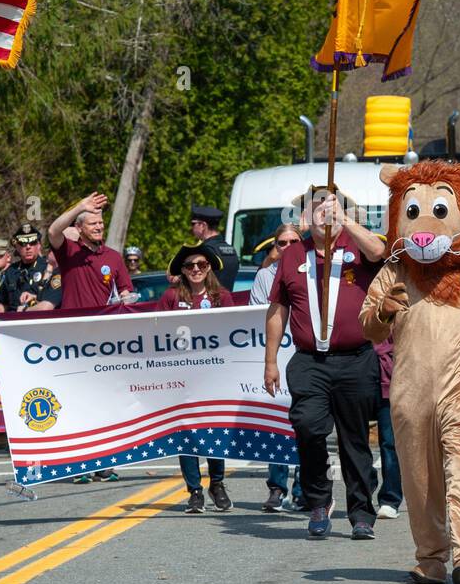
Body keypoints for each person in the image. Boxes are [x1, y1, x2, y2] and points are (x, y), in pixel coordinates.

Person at [265, 187, 385, 539]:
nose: (322, 211)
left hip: (355, 361)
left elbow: (379, 251)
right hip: (309, 363)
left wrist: (344, 220)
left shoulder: (356, 246)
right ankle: (318, 501)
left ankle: (362, 512)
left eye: (329, 205)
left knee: (355, 440)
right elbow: (277, 309)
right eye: (315, 206)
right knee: (307, 427)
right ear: (305, 216)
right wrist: (270, 360)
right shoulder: (292, 255)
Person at [158, 243, 236, 512]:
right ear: (182, 270)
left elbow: (233, 334)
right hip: (181, 377)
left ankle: (217, 483)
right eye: (189, 265)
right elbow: (156, 334)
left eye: (201, 265)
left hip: (214, 377)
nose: (195, 270)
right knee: (186, 434)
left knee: (214, 430)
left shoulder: (222, 297)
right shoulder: (170, 297)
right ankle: (194, 491)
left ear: (209, 267)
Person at [249, 224, 306, 512]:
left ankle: (305, 489)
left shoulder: (314, 270)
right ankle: (277, 487)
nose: (288, 247)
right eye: (282, 243)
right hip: (278, 356)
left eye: (294, 241)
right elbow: (259, 318)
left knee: (308, 426)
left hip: (307, 357)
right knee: (280, 424)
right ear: (276, 246)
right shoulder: (264, 277)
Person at [48, 194, 133, 310]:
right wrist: (80, 207)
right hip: (74, 323)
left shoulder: (114, 256)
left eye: (101, 222)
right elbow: (53, 232)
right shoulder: (68, 250)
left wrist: (126, 299)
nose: (98, 227)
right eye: (93, 224)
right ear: (79, 228)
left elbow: (125, 291)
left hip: (104, 323)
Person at [0, 224, 53, 312]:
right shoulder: (11, 271)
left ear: (38, 245)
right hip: (14, 321)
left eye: (32, 243)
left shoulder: (48, 268)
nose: (28, 247)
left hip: (39, 319)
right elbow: (3, 304)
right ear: (17, 247)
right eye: (23, 244)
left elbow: (51, 302)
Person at [190, 205, 240, 291]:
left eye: (193, 224)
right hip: (228, 302)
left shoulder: (204, 251)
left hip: (207, 303)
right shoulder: (231, 250)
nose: (191, 227)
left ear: (203, 226)